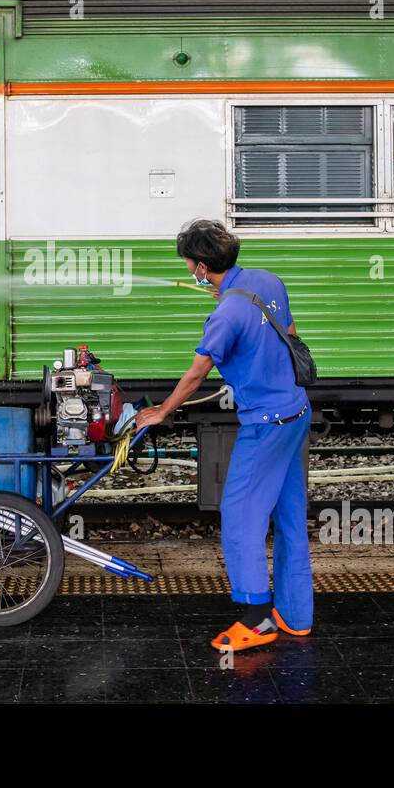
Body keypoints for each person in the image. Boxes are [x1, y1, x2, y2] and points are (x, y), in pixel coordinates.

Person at [135, 219, 312, 652]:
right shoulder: (268, 281)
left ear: (199, 267)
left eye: (190, 264)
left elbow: (197, 375)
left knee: (239, 518)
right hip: (297, 410)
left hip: (266, 425)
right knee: (289, 516)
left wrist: (161, 411)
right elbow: (289, 333)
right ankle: (295, 615)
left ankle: (257, 619)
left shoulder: (225, 313)